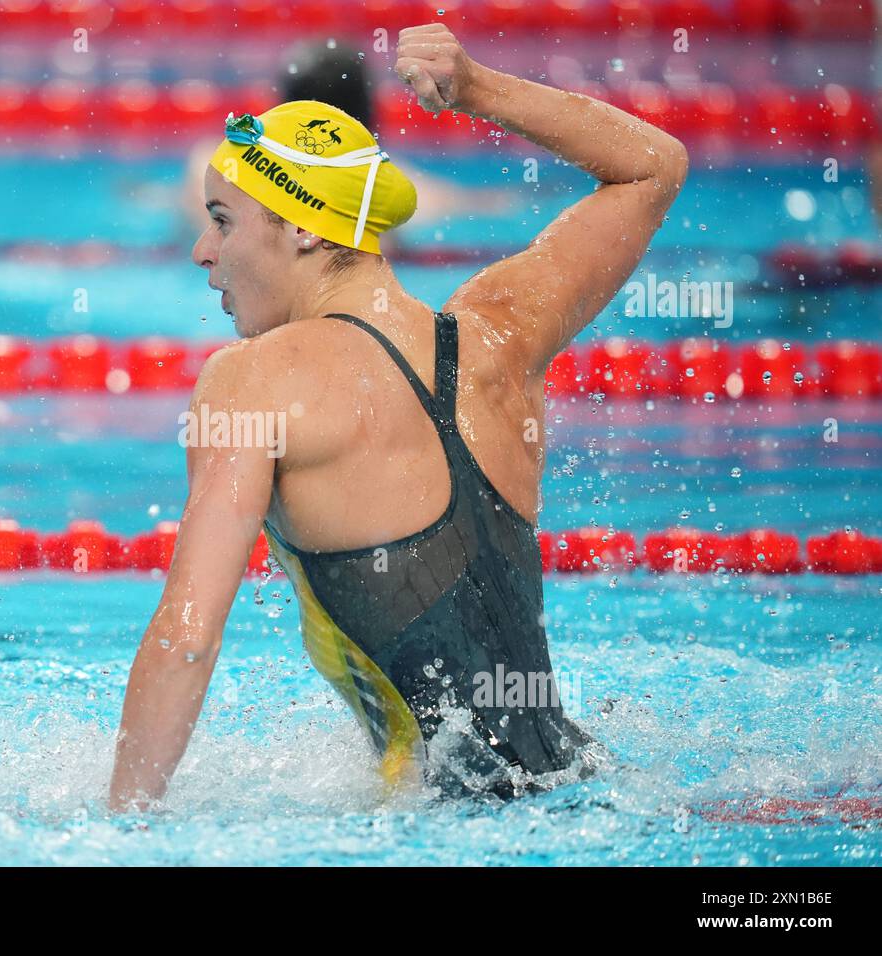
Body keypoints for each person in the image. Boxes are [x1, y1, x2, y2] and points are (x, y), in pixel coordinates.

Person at [108, 23, 688, 811]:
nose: (202, 252)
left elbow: (187, 636)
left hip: (436, 825)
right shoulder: (496, 335)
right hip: (579, 786)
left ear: (304, 226)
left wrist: (116, 829)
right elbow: (653, 168)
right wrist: (480, 90)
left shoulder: (251, 383)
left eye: (223, 220)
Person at [174, 39, 513, 240]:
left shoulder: (216, 165)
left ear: (282, 109)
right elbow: (489, 206)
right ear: (370, 116)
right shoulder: (415, 194)